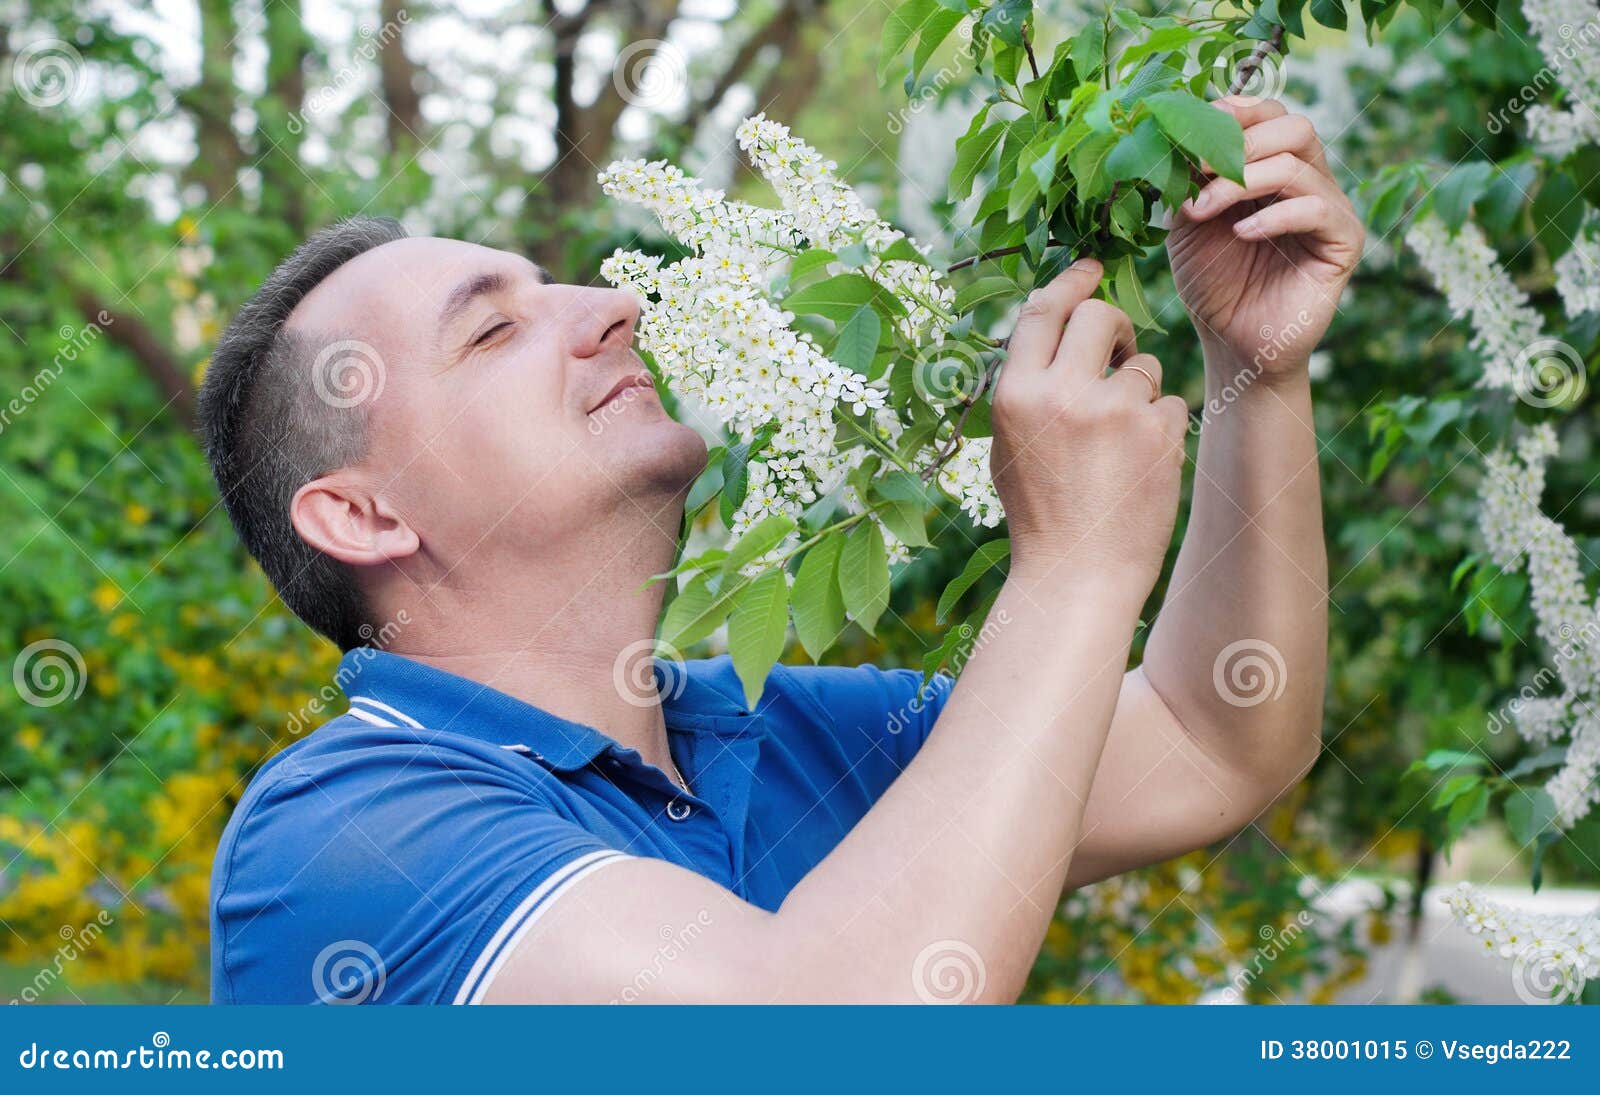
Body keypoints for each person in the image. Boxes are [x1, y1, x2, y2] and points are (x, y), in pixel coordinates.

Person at [202, 98, 1358, 1004]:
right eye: (495, 328)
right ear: (362, 518)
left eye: (552, 283)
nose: (607, 306)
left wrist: (1255, 371)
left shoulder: (774, 731)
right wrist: (1072, 567)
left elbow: (1218, 739)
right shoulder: (348, 834)